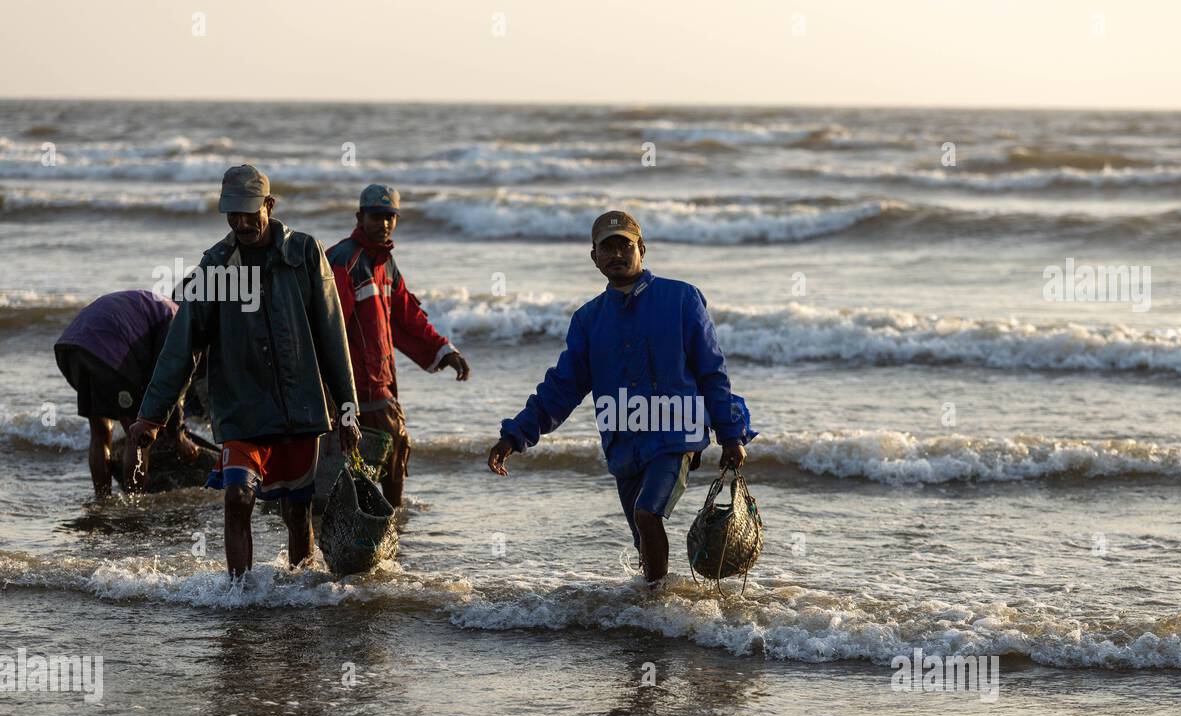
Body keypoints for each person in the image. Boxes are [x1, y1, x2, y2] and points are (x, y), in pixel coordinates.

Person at [487, 210, 756, 583]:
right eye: (606, 247)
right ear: (594, 257)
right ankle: (650, 616)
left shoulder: (681, 299)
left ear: (641, 248)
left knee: (648, 513)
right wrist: (514, 436)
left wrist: (730, 435)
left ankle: (656, 603)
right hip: (623, 444)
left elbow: (712, 370)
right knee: (641, 540)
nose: (616, 254)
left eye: (624, 245)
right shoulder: (589, 320)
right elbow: (562, 388)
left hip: (675, 437)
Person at [129, 165, 360, 577]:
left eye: (249, 212)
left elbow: (332, 337)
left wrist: (347, 409)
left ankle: (299, 592)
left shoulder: (305, 254)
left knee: (296, 511)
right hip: (241, 406)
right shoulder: (216, 267)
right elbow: (182, 347)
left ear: (269, 205)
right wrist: (150, 416)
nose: (240, 222)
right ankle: (240, 599)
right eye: (231, 215)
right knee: (237, 497)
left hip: (300, 407)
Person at [327, 184, 470, 507]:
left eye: (391, 217)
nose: (385, 224)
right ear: (360, 217)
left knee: (389, 456)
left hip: (382, 383)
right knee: (377, 454)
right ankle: (383, 524)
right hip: (353, 388)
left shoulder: (386, 265)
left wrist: (445, 351)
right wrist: (331, 391)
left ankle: (385, 522)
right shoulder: (343, 261)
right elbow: (326, 329)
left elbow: (408, 318)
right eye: (377, 216)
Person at [53, 290, 199, 496]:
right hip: (107, 350)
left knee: (100, 431)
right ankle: (134, 502)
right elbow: (166, 379)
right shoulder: (177, 317)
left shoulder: (156, 304)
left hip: (72, 347)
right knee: (138, 433)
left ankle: (102, 498)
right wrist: (178, 434)